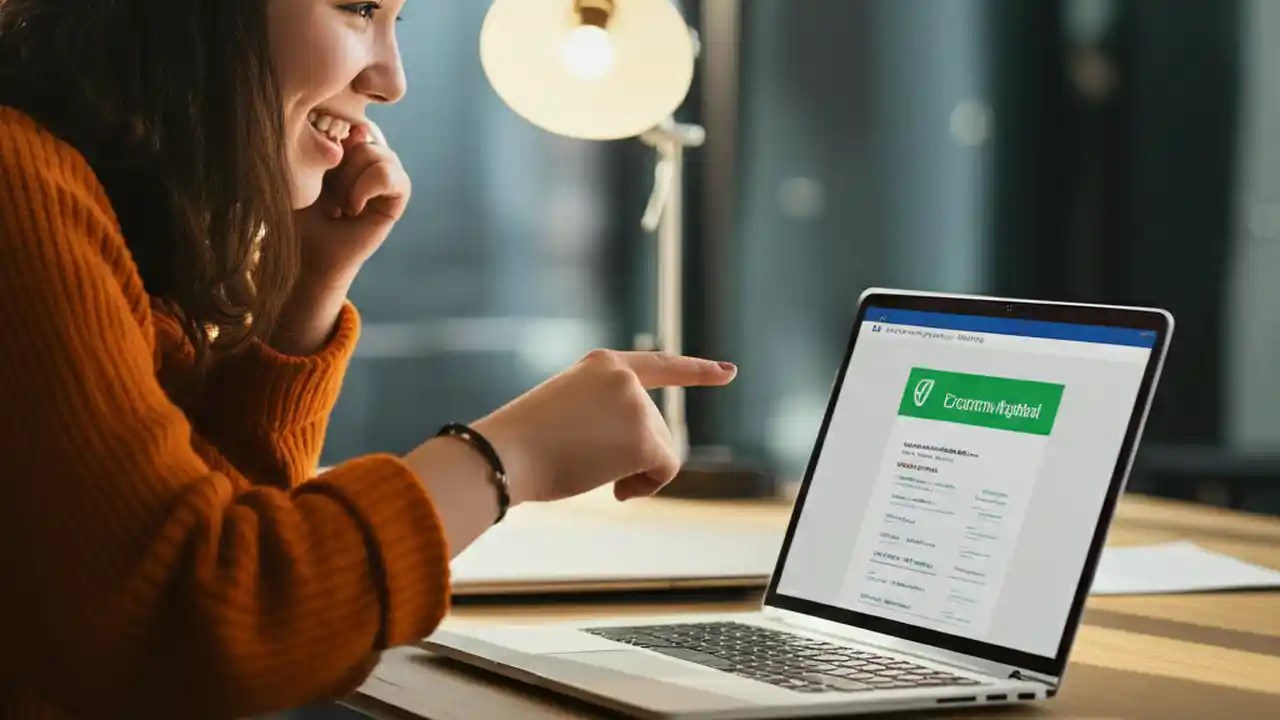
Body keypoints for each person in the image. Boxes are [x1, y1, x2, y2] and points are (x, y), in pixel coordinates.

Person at [0, 0, 738, 717]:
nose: (391, 80)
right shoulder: (15, 179)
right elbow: (190, 630)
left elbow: (208, 527)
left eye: (395, 20)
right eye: (357, 9)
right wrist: (507, 458)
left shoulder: (87, 192)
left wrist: (307, 285)